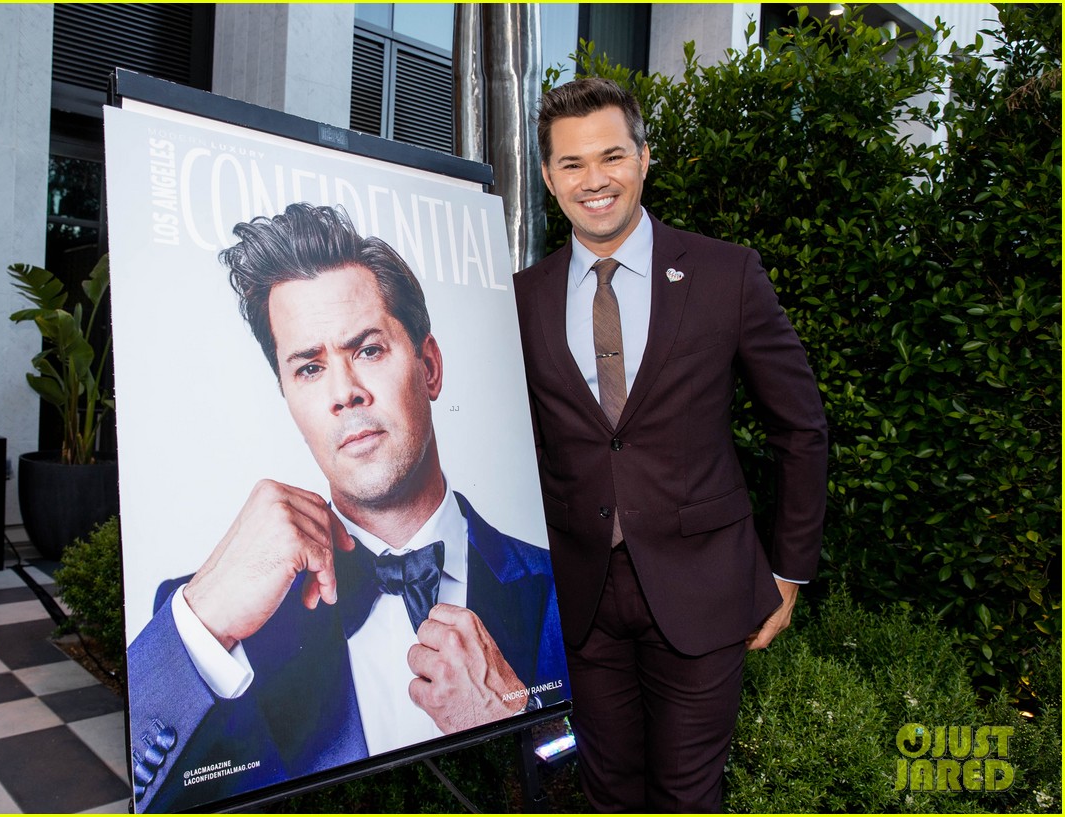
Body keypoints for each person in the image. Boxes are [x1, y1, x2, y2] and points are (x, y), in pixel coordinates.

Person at [127, 203, 568, 812]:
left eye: (368, 350)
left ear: (429, 367)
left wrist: (513, 720)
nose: (344, 393)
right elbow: (143, 794)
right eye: (310, 368)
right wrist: (201, 625)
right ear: (288, 397)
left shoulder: (561, 583)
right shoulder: (208, 625)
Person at [514, 78, 828, 811]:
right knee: (607, 791)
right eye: (571, 163)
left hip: (704, 586)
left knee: (689, 794)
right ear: (549, 177)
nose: (594, 179)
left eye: (612, 156)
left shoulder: (726, 273)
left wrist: (789, 571)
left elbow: (800, 425)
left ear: (645, 158)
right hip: (580, 595)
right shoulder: (521, 298)